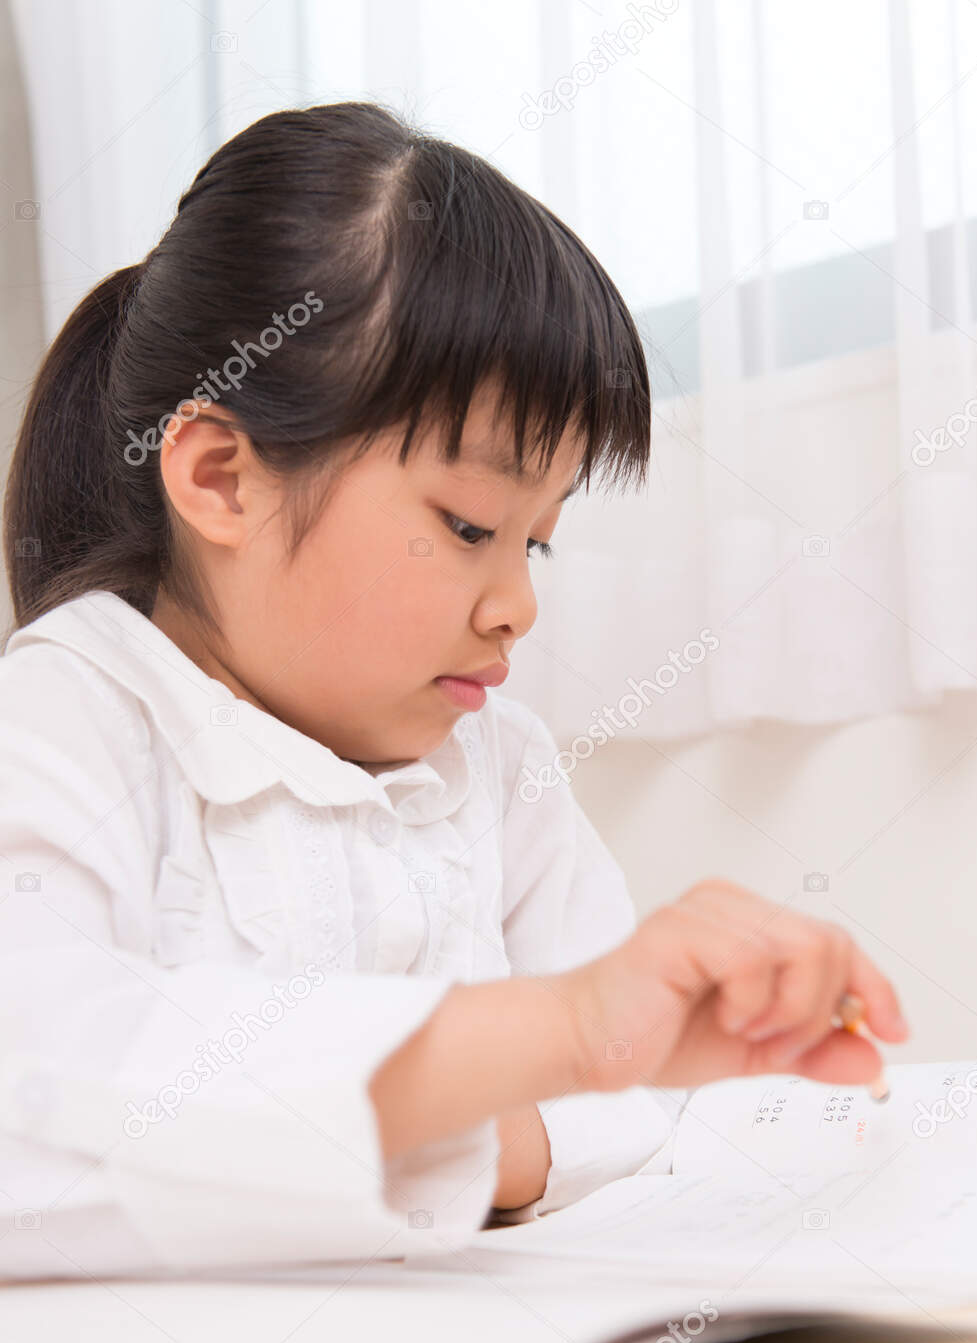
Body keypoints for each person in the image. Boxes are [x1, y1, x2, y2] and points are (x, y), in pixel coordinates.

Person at [0, 103, 907, 1281]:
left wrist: (560, 1084)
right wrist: (551, 1048)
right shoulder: (67, 722)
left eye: (536, 543)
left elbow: (631, 1104)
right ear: (223, 478)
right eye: (471, 523)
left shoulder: (497, 768)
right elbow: (40, 1095)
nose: (516, 606)